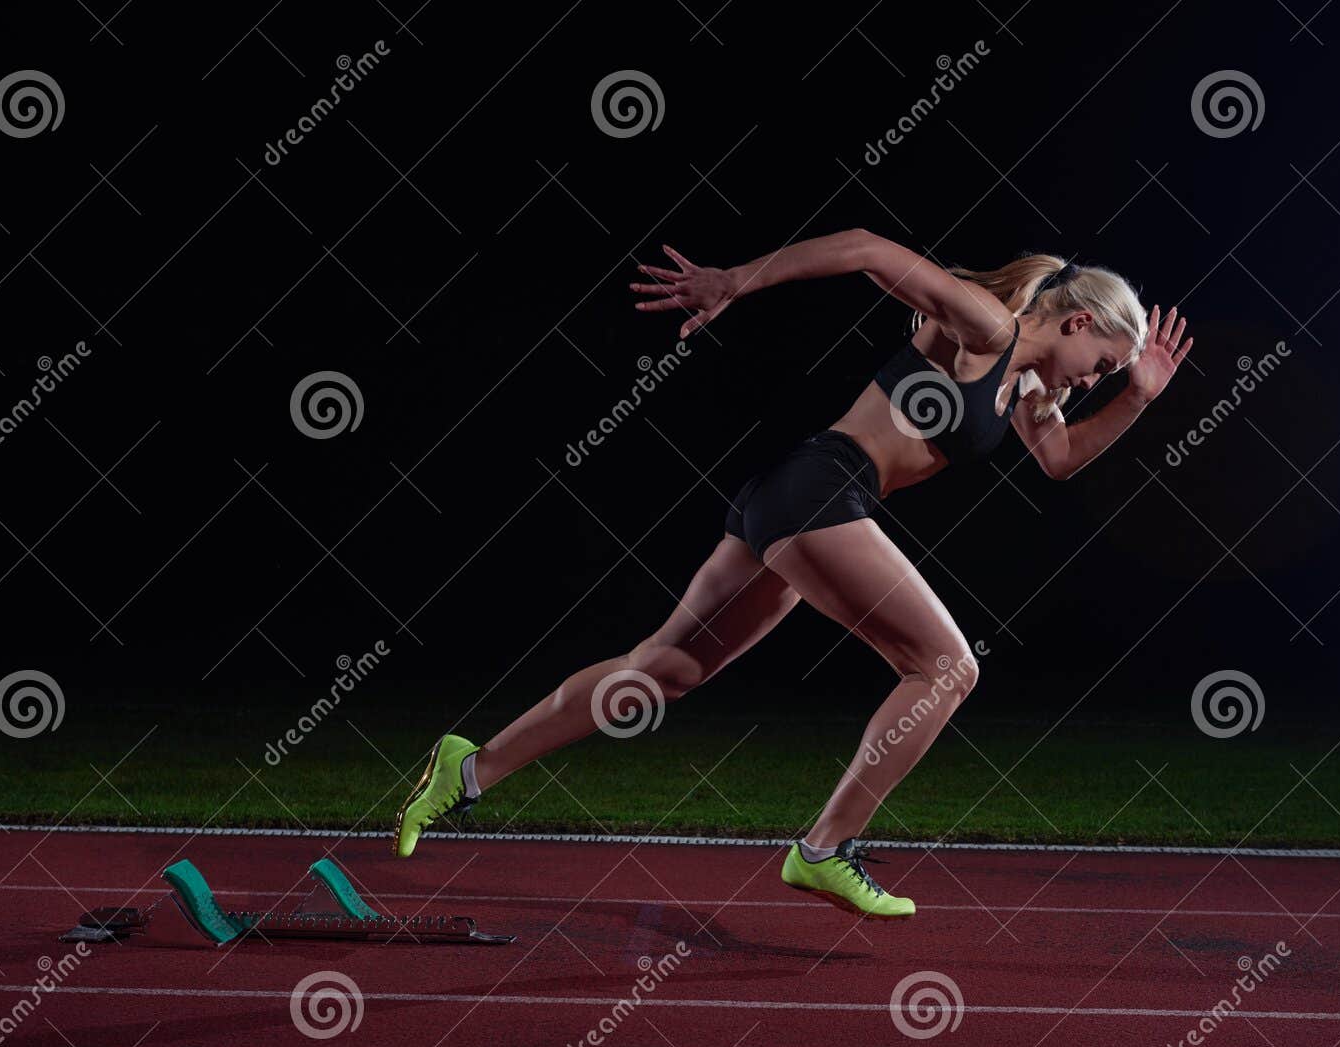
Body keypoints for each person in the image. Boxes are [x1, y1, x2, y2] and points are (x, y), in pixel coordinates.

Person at [392, 228, 1193, 920]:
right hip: (822, 492)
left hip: (797, 497)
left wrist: (1139, 398)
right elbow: (865, 249)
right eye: (1100, 367)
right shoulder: (984, 326)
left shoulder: (1023, 384)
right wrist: (737, 280)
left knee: (664, 670)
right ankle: (825, 847)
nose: (1092, 384)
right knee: (948, 668)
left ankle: (470, 765)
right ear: (1079, 322)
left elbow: (1056, 460)